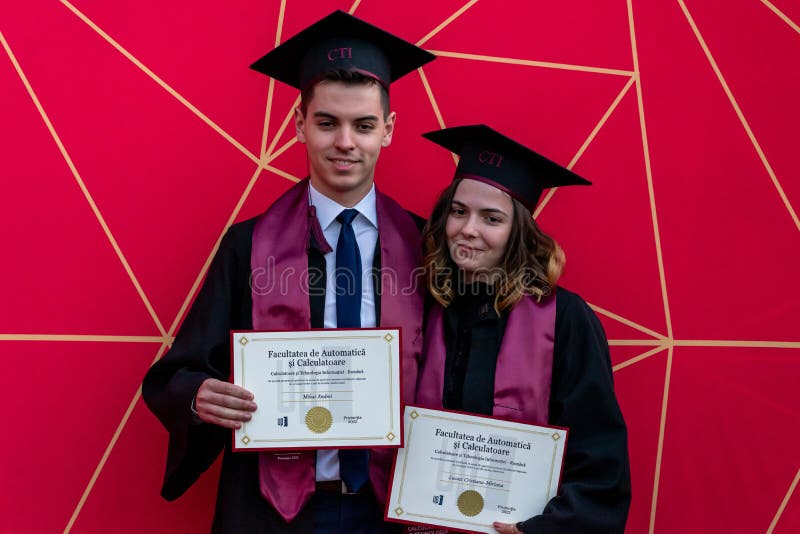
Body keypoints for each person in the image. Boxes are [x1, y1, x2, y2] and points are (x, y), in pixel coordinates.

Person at [142, 11, 434, 533]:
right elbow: (175, 376)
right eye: (327, 122)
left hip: (392, 508)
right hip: (276, 511)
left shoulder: (429, 248)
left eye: (363, 125)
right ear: (300, 124)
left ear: (387, 131)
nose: (346, 141)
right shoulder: (249, 245)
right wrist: (199, 396)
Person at [414, 125, 631, 533]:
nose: (468, 229)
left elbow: (601, 463)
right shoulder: (423, 307)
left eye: (491, 218)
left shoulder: (565, 321)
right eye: (459, 211)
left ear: (519, 230)